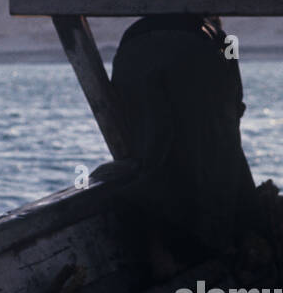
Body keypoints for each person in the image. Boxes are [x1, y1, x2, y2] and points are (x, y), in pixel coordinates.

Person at [110, 15, 257, 259]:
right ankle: (219, 244)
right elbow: (234, 102)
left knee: (149, 153)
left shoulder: (145, 26)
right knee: (219, 154)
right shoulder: (225, 40)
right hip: (193, 56)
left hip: (129, 60)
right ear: (216, 21)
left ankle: (156, 251)